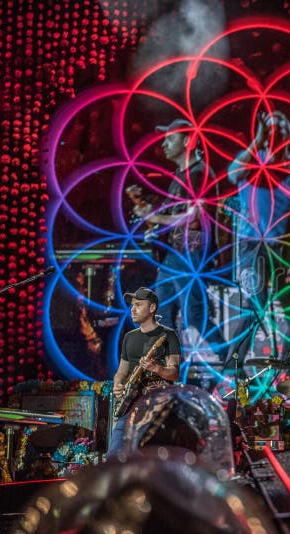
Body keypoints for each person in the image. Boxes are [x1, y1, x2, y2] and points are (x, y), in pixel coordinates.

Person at [225, 110, 290, 363]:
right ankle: (233, 373)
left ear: (289, 136)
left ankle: (286, 372)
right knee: (255, 307)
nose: (275, 137)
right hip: (252, 248)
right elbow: (232, 175)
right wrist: (256, 142)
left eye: (280, 132)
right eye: (270, 132)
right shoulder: (251, 162)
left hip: (284, 248)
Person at [145, 118, 225, 358]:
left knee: (195, 317)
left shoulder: (199, 172)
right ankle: (169, 371)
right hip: (174, 256)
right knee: (160, 316)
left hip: (191, 254)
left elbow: (194, 216)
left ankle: (231, 363)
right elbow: (175, 215)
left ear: (188, 140)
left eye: (171, 138)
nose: (165, 143)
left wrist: (158, 221)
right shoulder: (180, 176)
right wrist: (155, 227)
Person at [108, 287, 181, 458]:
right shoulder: (129, 337)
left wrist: (157, 368)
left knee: (152, 458)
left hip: (157, 407)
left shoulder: (168, 335)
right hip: (130, 406)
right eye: (132, 305)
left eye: (138, 305)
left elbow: (174, 373)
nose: (132, 309)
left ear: (152, 308)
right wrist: (117, 384)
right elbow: (122, 371)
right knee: (114, 456)